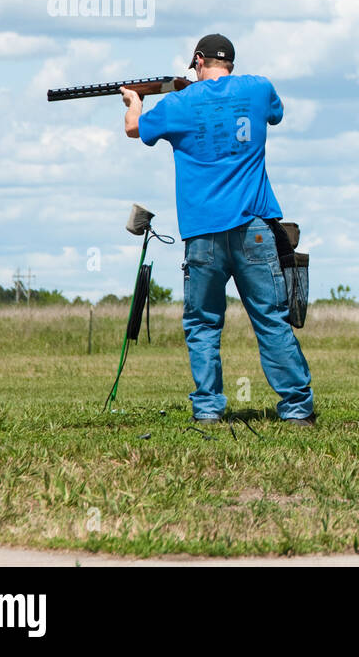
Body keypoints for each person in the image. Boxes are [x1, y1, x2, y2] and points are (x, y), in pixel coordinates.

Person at [119, 33, 315, 426]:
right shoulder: (257, 88)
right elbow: (275, 113)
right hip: (254, 230)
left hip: (203, 236)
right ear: (229, 63)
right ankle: (297, 409)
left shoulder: (177, 103)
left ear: (197, 60)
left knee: (204, 323)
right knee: (271, 319)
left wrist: (135, 101)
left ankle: (208, 409)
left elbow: (134, 130)